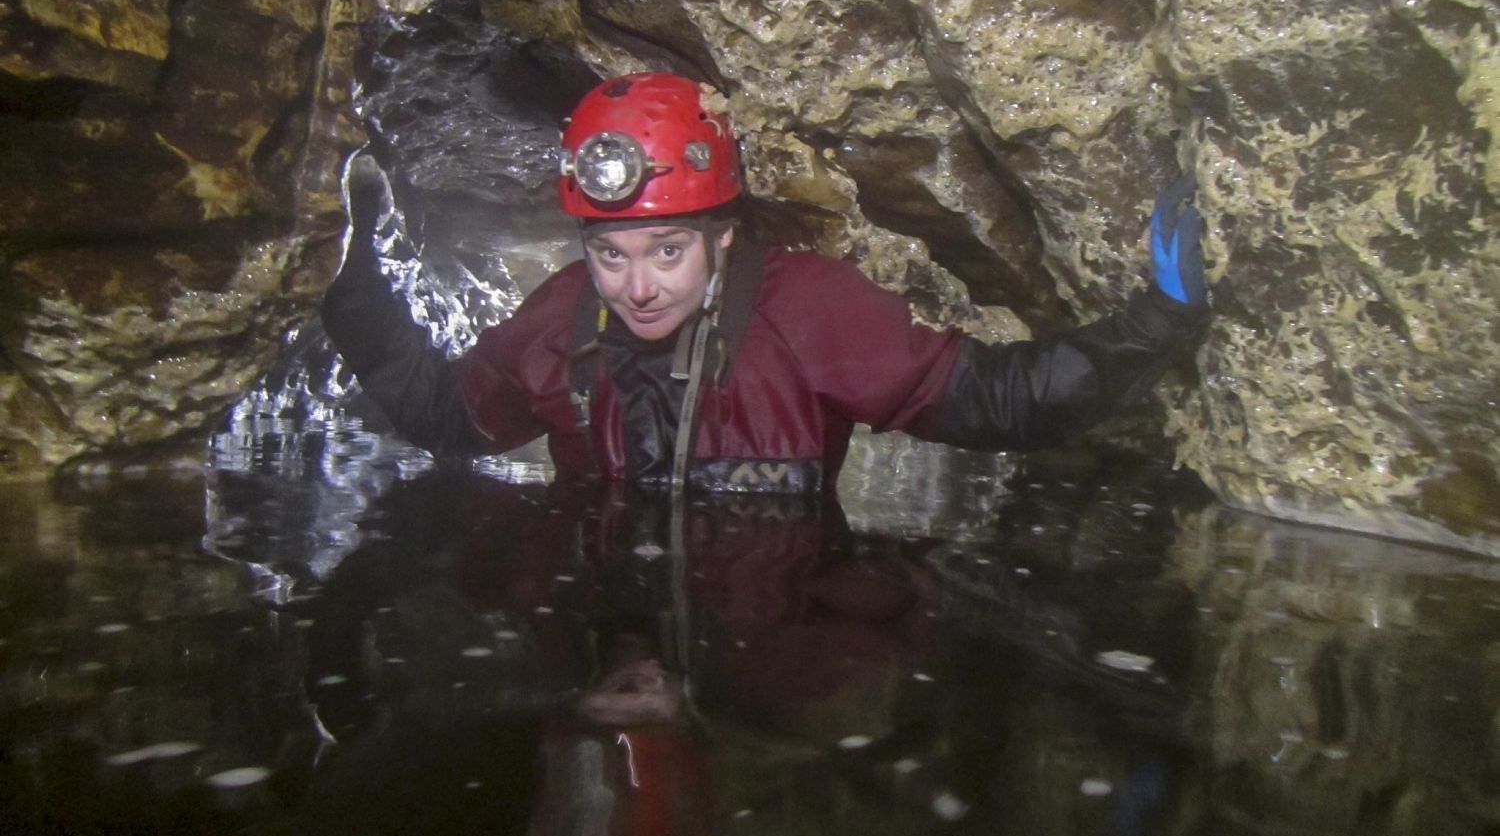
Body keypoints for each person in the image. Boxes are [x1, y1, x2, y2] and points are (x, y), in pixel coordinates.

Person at [322, 71, 1208, 497]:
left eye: (667, 251)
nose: (635, 287)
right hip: (598, 621)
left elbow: (996, 401)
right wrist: (345, 281)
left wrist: (1156, 323)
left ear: (724, 234)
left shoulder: (809, 309)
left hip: (771, 649)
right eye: (611, 254)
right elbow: (447, 415)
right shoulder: (563, 318)